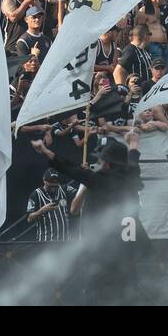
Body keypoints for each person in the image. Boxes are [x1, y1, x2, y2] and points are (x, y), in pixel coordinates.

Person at [31, 127, 146, 305]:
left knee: (96, 296)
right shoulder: (132, 177)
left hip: (103, 254)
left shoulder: (100, 181)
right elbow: (133, 157)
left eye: (102, 160)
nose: (100, 163)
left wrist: (45, 151)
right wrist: (133, 141)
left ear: (107, 164)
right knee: (128, 296)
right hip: (128, 256)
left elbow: (70, 168)